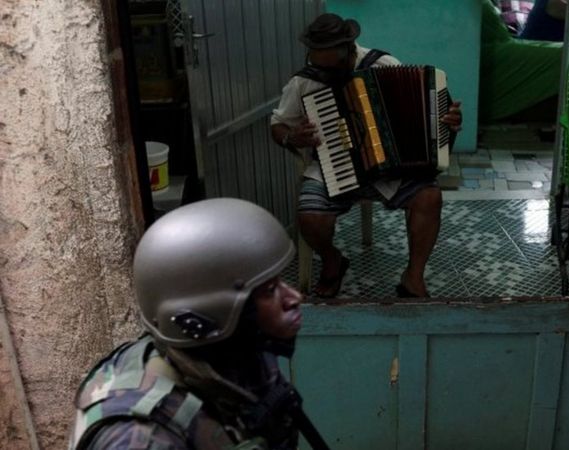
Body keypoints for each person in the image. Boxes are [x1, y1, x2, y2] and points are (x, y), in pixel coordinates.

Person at [69, 198, 327, 450]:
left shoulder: (234, 353)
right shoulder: (139, 437)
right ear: (209, 314)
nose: (294, 298)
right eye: (270, 290)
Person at [270, 13, 463, 299]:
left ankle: (413, 277)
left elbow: (423, 119)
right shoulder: (304, 82)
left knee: (429, 198)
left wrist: (449, 122)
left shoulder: (383, 66)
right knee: (309, 218)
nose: (324, 76)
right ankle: (333, 260)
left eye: (332, 70)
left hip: (391, 170)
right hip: (331, 168)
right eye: (317, 66)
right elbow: (277, 123)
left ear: (349, 50)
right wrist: (289, 136)